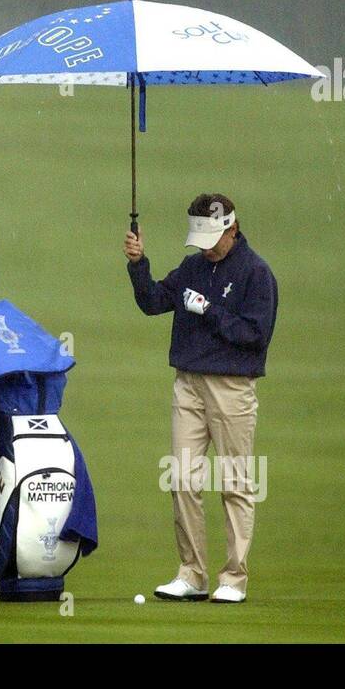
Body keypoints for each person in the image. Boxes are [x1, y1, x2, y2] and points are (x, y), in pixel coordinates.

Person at [124, 193, 278, 604]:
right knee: (182, 478)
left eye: (214, 237)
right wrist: (139, 264)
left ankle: (233, 578)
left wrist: (208, 309)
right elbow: (153, 301)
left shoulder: (255, 273)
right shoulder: (193, 267)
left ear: (232, 228)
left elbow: (255, 336)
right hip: (188, 384)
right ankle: (192, 574)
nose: (207, 247)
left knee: (235, 482)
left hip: (232, 387)